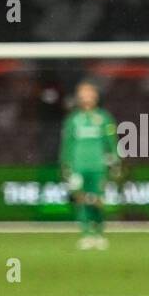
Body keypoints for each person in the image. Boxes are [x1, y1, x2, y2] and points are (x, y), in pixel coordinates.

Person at [59, 81, 118, 250]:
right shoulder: (73, 119)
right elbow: (67, 143)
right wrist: (66, 164)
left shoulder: (104, 118)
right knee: (81, 199)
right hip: (78, 165)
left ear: (95, 96)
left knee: (98, 199)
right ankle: (86, 234)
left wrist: (115, 159)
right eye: (83, 93)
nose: (86, 96)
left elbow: (112, 141)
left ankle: (99, 233)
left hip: (98, 165)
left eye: (89, 93)